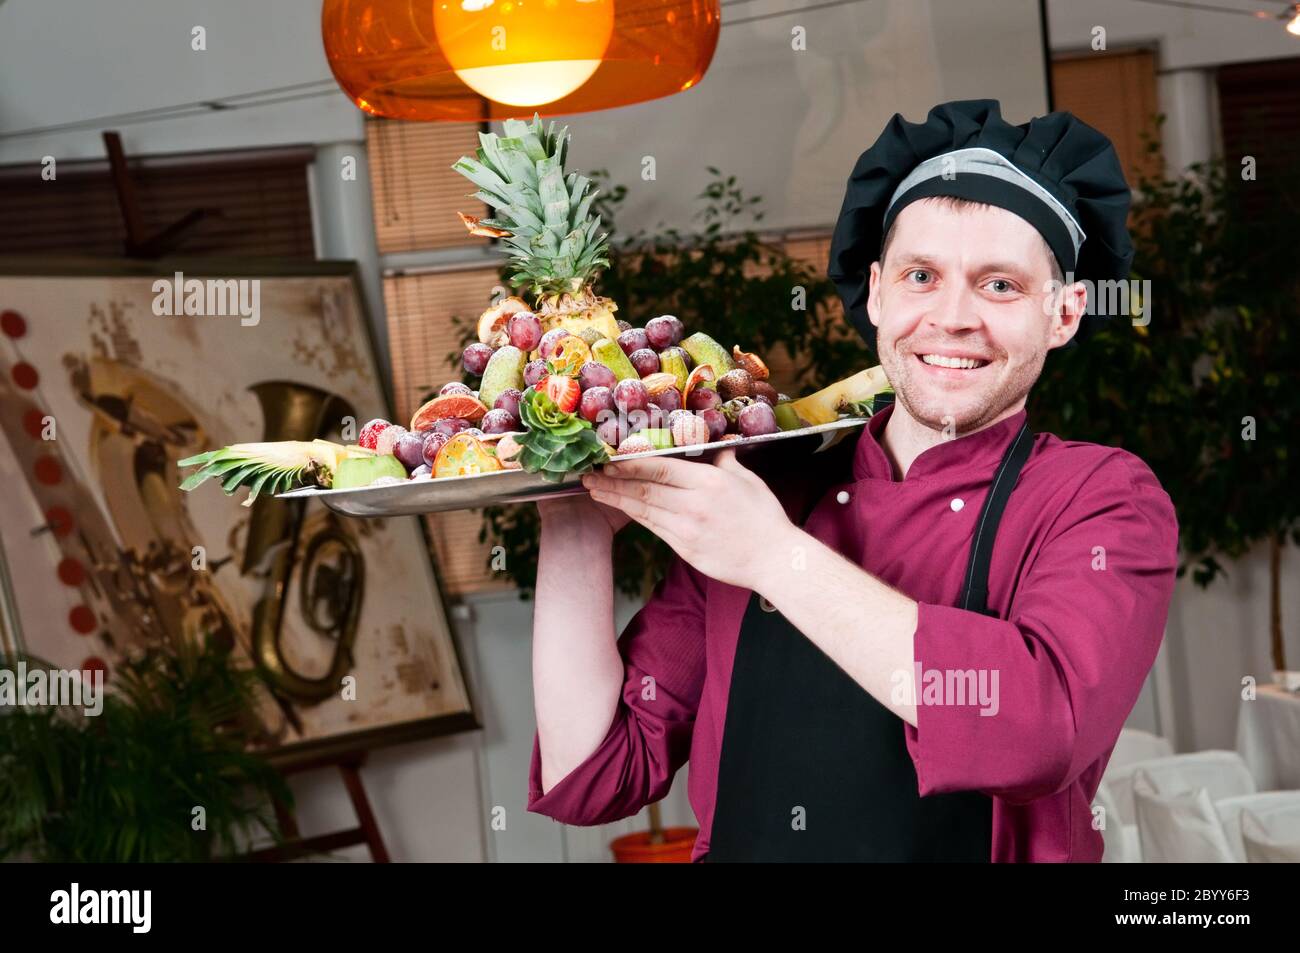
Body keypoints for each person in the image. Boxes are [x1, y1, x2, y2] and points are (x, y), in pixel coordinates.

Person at [527, 100, 1179, 862]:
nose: (952, 317)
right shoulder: (766, 489)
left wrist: (773, 556)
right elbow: (594, 769)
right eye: (921, 276)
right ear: (876, 291)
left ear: (1064, 313)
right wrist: (571, 520)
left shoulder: (1100, 498)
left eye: (1000, 285)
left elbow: (1037, 730)